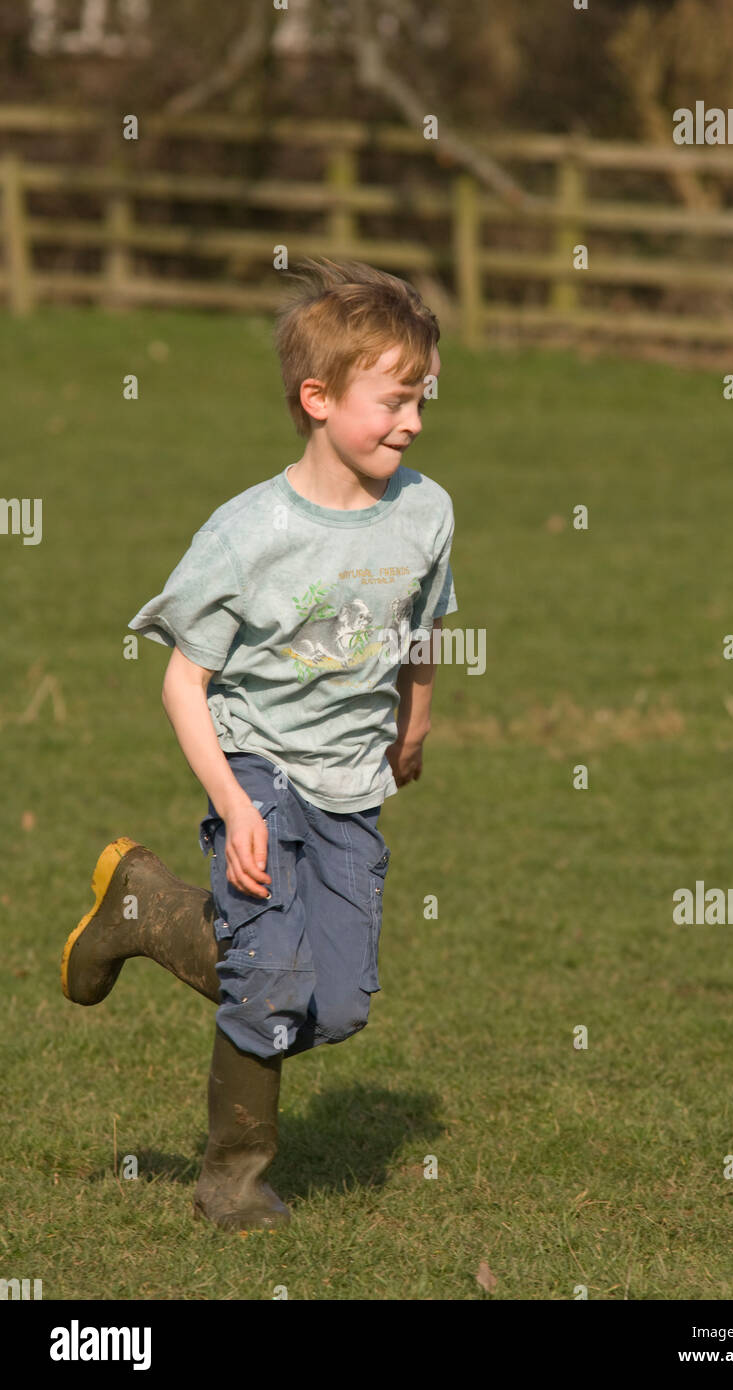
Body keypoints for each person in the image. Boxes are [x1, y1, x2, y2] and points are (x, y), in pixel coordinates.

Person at [60, 258, 457, 1232]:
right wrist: (237, 804)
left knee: (341, 1003)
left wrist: (415, 717)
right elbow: (181, 682)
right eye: (394, 400)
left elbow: (421, 625)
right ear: (316, 398)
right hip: (258, 764)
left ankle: (147, 908)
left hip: (350, 782)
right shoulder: (248, 534)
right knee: (271, 980)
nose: (411, 420)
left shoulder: (426, 512)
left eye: (422, 398)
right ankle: (231, 1183)